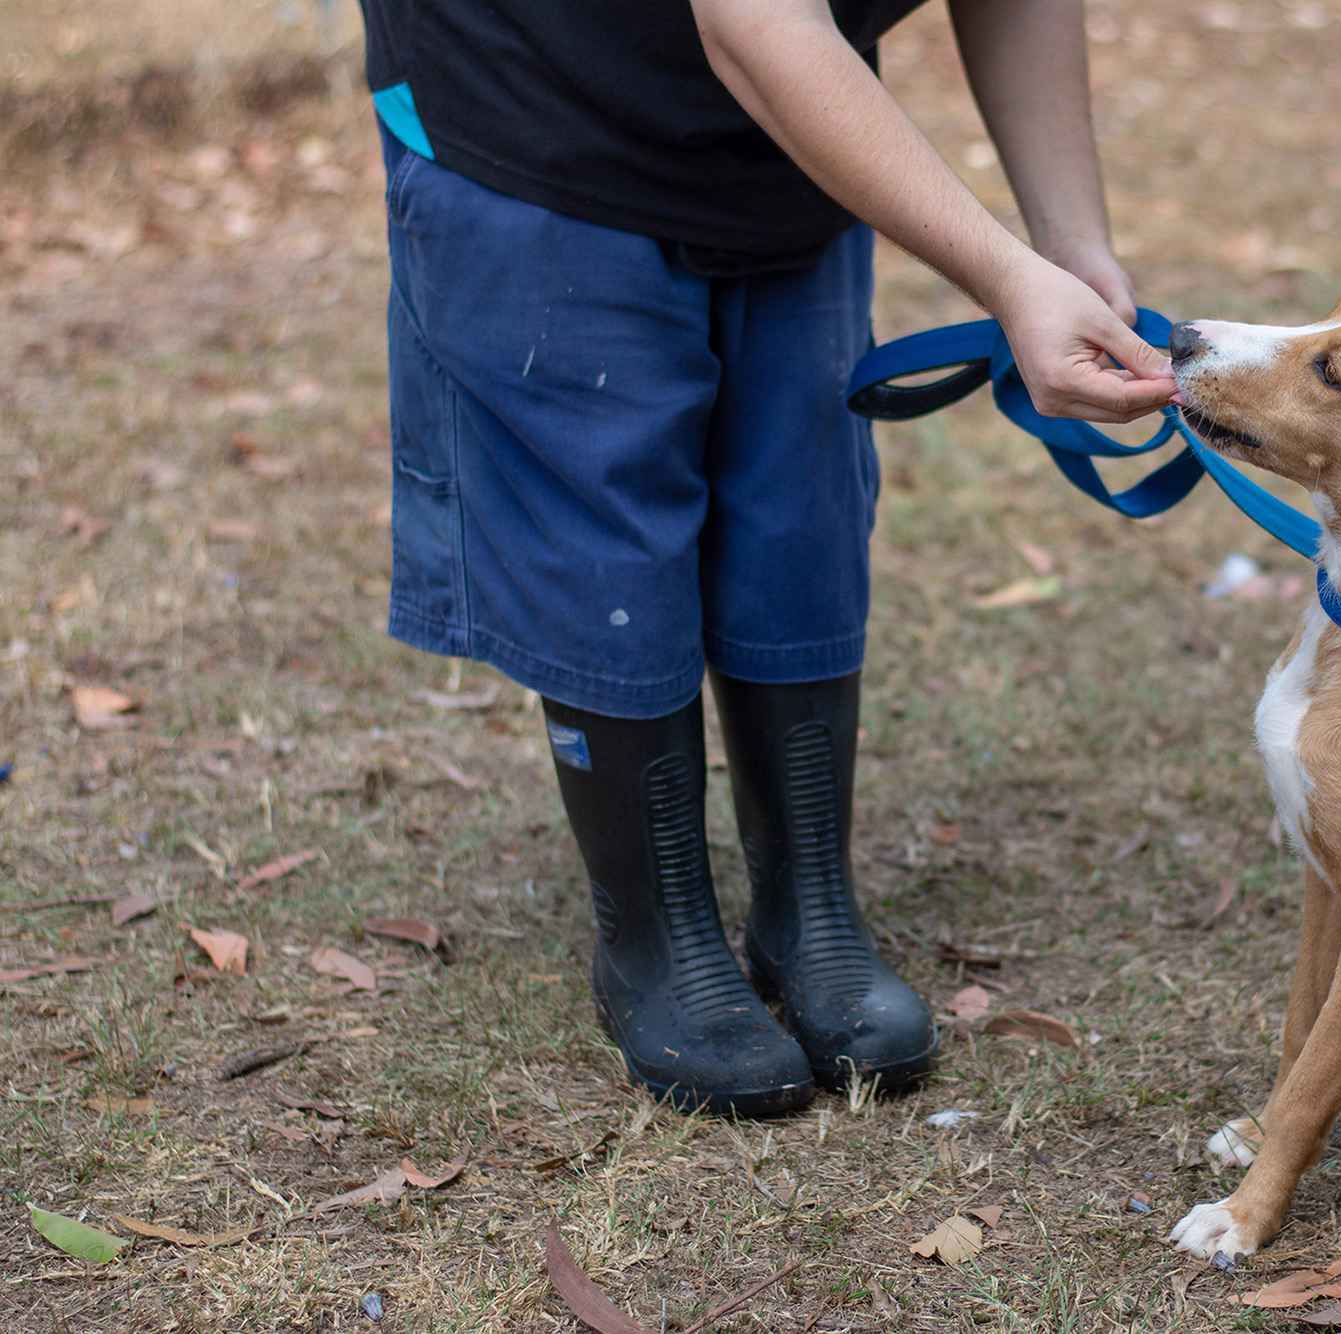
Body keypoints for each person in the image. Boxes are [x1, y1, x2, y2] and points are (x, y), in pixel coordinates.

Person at [356, 0, 1175, 1117]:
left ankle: (807, 905)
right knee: (600, 528)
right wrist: (1004, 277)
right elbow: (755, 25)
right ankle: (655, 937)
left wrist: (1068, 243)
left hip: (778, 140)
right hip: (534, 101)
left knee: (800, 508)